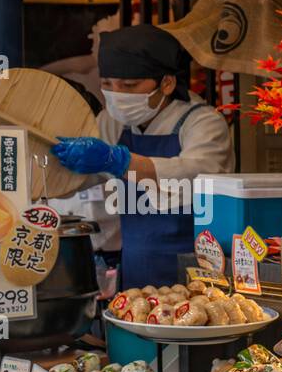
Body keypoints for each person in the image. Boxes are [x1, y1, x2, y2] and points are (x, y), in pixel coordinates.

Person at [53, 24, 234, 288]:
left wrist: (121, 162)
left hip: (196, 266)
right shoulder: (112, 121)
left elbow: (198, 174)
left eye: (129, 85)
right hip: (136, 264)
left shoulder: (202, 122)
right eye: (107, 84)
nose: (117, 94)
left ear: (167, 83)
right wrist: (61, 164)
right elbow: (89, 177)